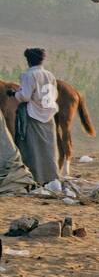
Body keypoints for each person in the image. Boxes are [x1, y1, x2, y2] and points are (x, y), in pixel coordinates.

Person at [9, 48, 59, 186]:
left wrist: (13, 94)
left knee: (30, 147)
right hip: (48, 115)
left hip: (32, 115)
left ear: (28, 60)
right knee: (48, 148)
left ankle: (35, 178)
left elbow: (24, 96)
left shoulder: (29, 75)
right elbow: (55, 95)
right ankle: (51, 177)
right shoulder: (50, 75)